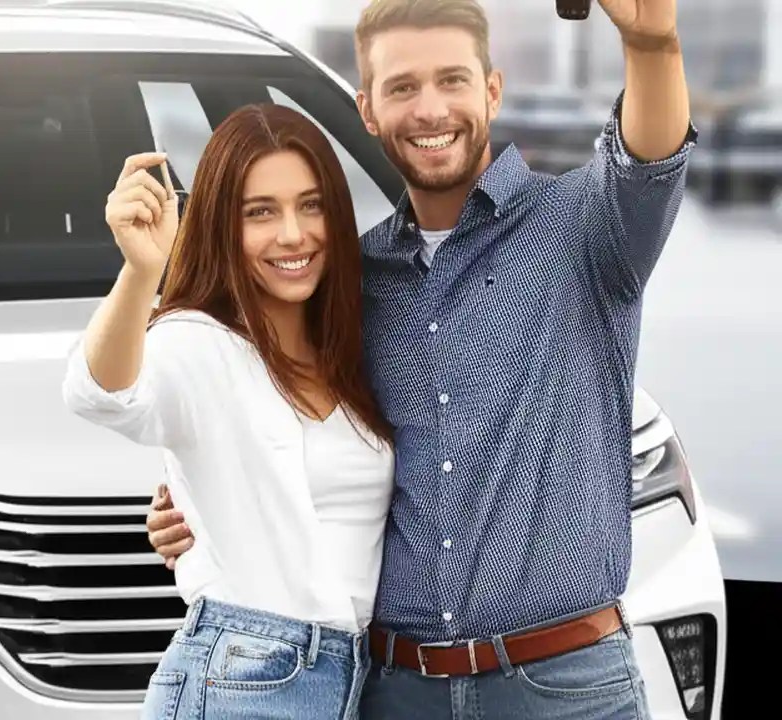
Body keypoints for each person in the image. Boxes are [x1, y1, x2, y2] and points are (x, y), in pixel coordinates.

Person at [143, 0, 694, 718]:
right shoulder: (347, 280)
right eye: (402, 87)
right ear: (368, 110)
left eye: (452, 81)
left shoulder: (586, 230)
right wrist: (198, 504)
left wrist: (652, 44)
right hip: (393, 689)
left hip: (563, 688)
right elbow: (275, 418)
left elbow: (649, 158)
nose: (430, 109)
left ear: (491, 91)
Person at [62, 103, 398, 718]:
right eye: (260, 212)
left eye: (311, 204)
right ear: (223, 225)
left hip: (353, 680)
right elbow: (100, 392)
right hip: (243, 678)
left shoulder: (355, 349)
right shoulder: (198, 340)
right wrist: (142, 272)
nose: (293, 234)